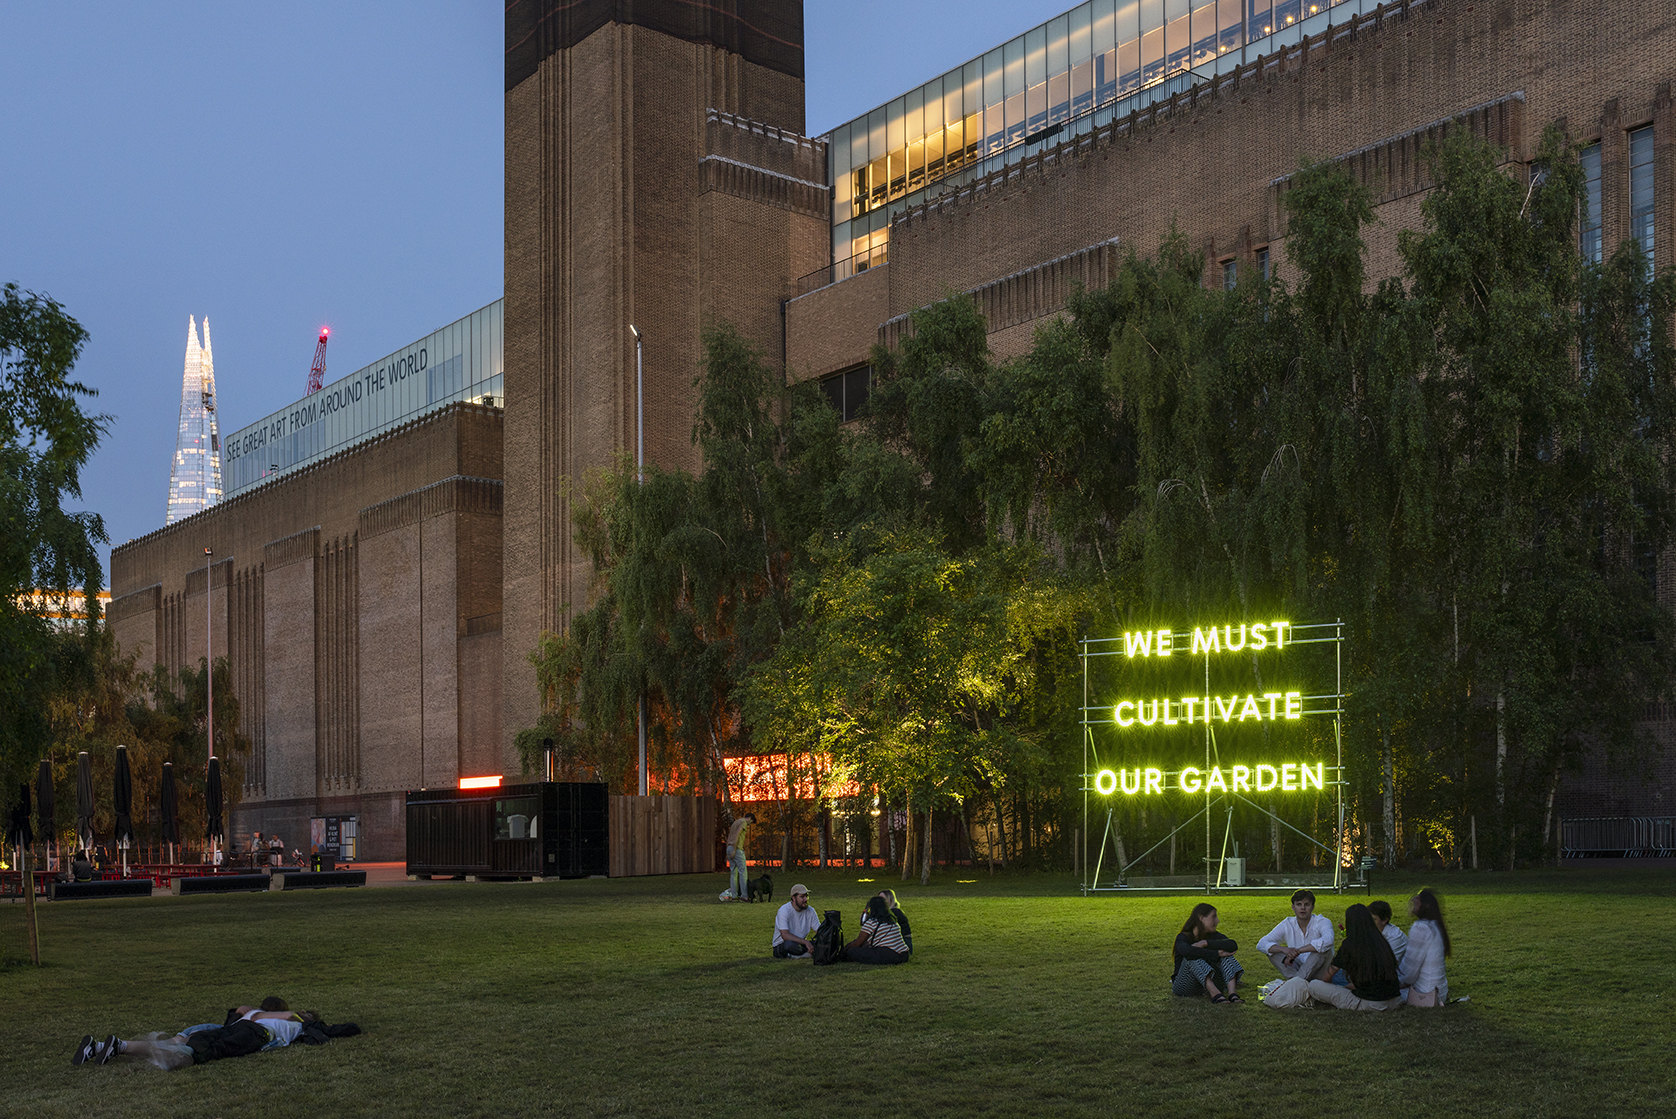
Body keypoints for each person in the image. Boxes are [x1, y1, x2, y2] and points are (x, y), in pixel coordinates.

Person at [74, 998, 312, 1070]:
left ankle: (98, 1047)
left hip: (215, 1030)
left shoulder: (249, 1014)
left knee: (178, 1044)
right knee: (184, 1053)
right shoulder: (288, 1020)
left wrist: (238, 1011)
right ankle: (119, 1046)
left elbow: (231, 1022)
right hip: (229, 1034)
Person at [1306, 904, 1403, 1010]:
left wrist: (1332, 988)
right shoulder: (1381, 940)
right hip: (1395, 1001)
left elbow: (1326, 977)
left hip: (1372, 1004)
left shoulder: (1350, 943)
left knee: (1314, 985)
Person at [1171, 902, 1244, 1003]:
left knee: (1226, 955)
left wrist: (1205, 943)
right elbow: (1187, 951)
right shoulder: (1183, 937)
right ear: (1201, 918)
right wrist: (1216, 954)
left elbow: (1232, 945)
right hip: (1185, 986)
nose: (1217, 921)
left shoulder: (1212, 936)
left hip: (1209, 984)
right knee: (1192, 957)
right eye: (1213, 917)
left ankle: (1232, 994)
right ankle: (1216, 995)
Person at [1256, 890, 1335, 980]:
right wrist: (1284, 950)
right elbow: (1261, 944)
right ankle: (1297, 980)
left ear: (1312, 907)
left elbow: (1328, 940)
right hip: (1296, 967)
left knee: (1321, 950)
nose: (1302, 908)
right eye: (1299, 904)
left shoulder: (1322, 921)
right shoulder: (1287, 923)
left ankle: (1295, 983)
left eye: (1306, 904)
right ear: (1293, 907)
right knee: (1271, 951)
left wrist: (1298, 951)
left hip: (1320, 970)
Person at [1399, 888, 1452, 1006]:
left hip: (1426, 995)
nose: (1413, 899)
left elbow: (1410, 970)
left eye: (1418, 898)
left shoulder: (1420, 928)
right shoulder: (1435, 925)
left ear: (1425, 905)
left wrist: (1397, 981)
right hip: (1440, 993)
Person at [843, 895, 911, 965]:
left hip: (889, 956)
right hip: (904, 955)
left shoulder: (871, 922)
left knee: (852, 951)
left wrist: (845, 949)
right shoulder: (893, 921)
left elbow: (858, 943)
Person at [771, 883, 819, 958]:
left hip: (801, 943)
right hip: (783, 944)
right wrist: (806, 942)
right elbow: (785, 935)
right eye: (802, 897)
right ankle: (804, 954)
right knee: (790, 945)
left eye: (806, 896)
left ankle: (802, 954)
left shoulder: (810, 910)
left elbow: (818, 931)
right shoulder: (784, 910)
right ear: (793, 898)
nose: (805, 899)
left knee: (820, 943)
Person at [1369, 899, 1408, 970]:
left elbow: (1386, 966)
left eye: (1373, 919)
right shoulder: (1373, 932)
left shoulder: (1395, 937)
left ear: (1384, 920)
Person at [723, 812, 755, 901]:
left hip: (729, 847)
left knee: (733, 873)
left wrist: (728, 851)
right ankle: (744, 895)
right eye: (751, 822)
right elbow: (737, 834)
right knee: (743, 872)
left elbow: (729, 836)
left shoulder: (736, 822)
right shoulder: (743, 823)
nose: (749, 825)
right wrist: (734, 848)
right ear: (750, 819)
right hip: (736, 849)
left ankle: (734, 896)